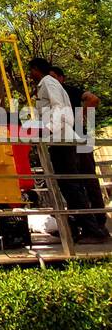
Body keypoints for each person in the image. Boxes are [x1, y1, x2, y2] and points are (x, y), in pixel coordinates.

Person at [49, 66, 108, 240]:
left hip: (75, 139)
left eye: (54, 78)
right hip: (77, 138)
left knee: (79, 181)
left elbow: (93, 99)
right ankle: (90, 222)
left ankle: (95, 224)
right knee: (83, 181)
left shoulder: (67, 91)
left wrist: (82, 117)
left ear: (62, 78)